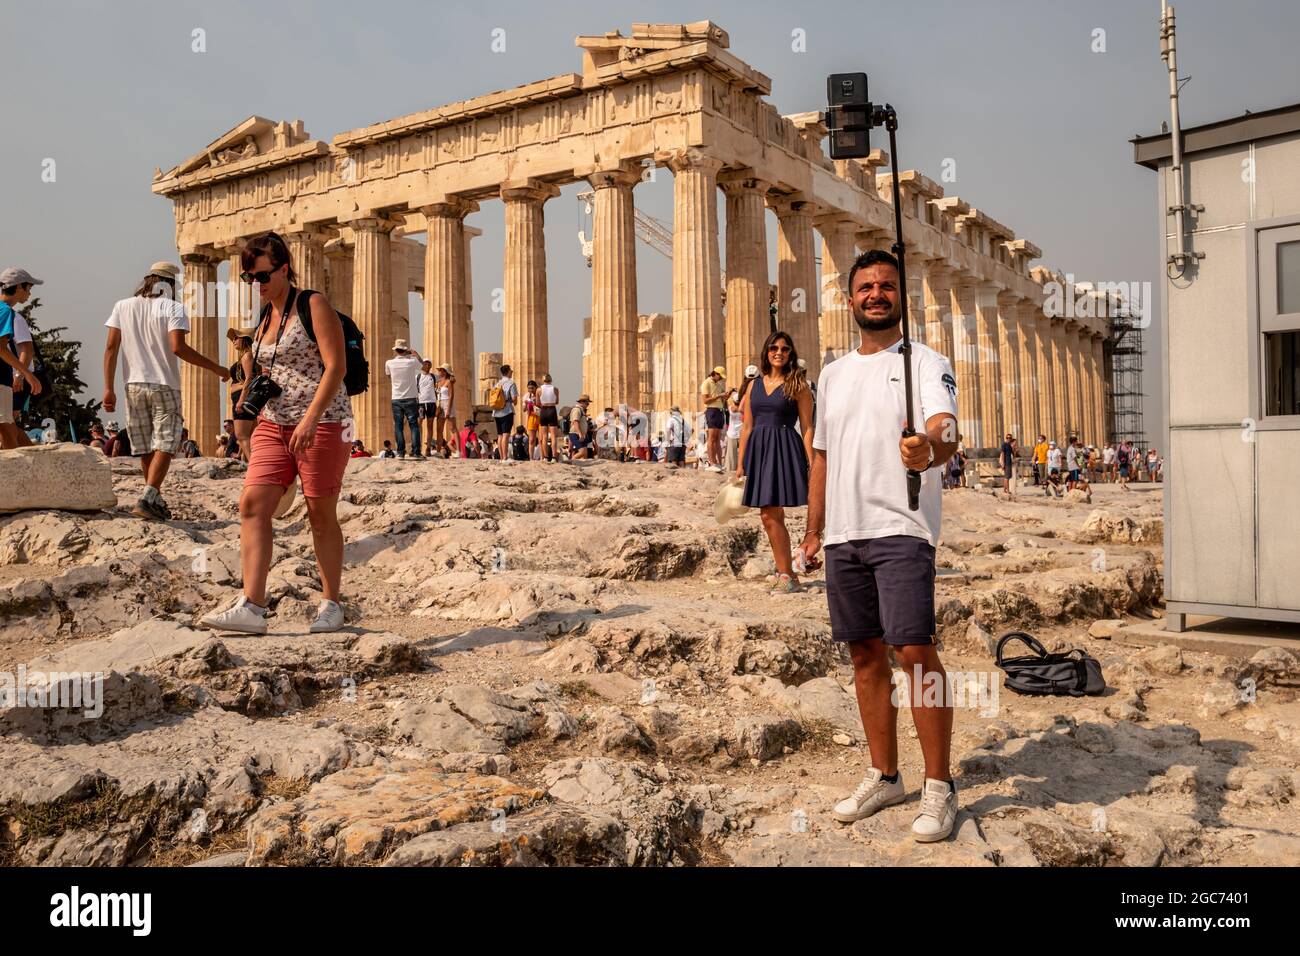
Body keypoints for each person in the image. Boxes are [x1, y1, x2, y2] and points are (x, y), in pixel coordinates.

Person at [794, 249, 961, 843]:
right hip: (844, 533)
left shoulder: (924, 361)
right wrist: (813, 531)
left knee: (914, 651)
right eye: (865, 287)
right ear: (850, 299)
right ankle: (885, 774)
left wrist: (930, 450)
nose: (875, 295)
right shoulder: (834, 374)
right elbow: (822, 457)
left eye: (886, 286)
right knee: (864, 655)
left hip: (902, 527)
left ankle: (939, 785)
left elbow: (945, 428)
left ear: (900, 296)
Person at [200, 232, 352, 635]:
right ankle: (252, 604)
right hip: (274, 421)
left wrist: (311, 419)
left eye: (263, 275)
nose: (258, 284)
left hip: (322, 422)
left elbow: (335, 367)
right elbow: (265, 373)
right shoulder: (266, 315)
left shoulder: (313, 304)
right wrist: (244, 423)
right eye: (251, 278)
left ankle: (332, 603)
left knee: (320, 515)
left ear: (284, 268)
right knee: (252, 503)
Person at [103, 261, 228, 520]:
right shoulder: (173, 307)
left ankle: (153, 499)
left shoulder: (122, 306)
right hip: (164, 383)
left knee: (147, 445)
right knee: (166, 443)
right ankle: (149, 496)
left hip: (133, 384)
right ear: (171, 285)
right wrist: (215, 368)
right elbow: (178, 348)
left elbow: (111, 349)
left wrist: (108, 388)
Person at [736, 330, 814, 593]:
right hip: (759, 447)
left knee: (770, 513)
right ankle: (787, 572)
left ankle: (786, 574)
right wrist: (739, 463)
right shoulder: (754, 385)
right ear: (766, 353)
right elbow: (747, 426)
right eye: (774, 348)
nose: (779, 352)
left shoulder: (798, 385)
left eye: (784, 349)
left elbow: (807, 427)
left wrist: (812, 462)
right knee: (769, 514)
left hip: (784, 446)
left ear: (790, 354)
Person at [0, 268, 45, 449]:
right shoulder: (6, 312)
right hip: (1, 378)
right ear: (19, 287)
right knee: (7, 427)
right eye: (28, 288)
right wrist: (26, 373)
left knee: (8, 424)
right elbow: (1, 348)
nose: (29, 293)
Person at [386, 338, 423, 459]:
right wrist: (416, 354)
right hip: (411, 397)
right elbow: (422, 365)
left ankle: (401, 452)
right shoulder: (411, 362)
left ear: (396, 350)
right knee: (414, 425)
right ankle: (416, 452)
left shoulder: (389, 363)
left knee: (398, 426)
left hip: (396, 398)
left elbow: (388, 377)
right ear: (406, 350)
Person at [226, 332, 256, 460]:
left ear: (245, 340)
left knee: (241, 435)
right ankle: (253, 465)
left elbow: (249, 378)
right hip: (242, 397)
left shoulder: (247, 355)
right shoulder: (244, 356)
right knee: (251, 435)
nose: (233, 340)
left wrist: (241, 400)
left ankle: (252, 466)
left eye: (236, 338)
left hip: (241, 398)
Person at [698, 365, 728, 472]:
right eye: (720, 376)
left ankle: (719, 463)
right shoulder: (706, 383)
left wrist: (727, 395)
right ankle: (711, 463)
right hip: (712, 411)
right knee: (711, 438)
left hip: (719, 411)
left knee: (718, 439)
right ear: (715, 374)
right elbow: (705, 401)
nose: (721, 379)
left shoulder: (718, 384)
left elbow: (723, 398)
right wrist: (719, 396)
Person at [489, 364, 518, 462]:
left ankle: (502, 457)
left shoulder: (497, 384)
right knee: (506, 434)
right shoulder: (511, 383)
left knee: (500, 435)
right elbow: (514, 400)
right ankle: (505, 457)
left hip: (496, 412)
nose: (512, 372)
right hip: (507, 411)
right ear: (508, 372)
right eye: (511, 370)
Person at [416, 359, 439, 456]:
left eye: (430, 364)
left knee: (430, 426)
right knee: (418, 424)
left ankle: (428, 448)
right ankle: (418, 446)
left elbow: (445, 377)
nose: (428, 365)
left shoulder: (434, 376)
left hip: (431, 403)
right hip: (421, 403)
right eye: (426, 364)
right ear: (422, 365)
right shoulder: (417, 377)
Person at [537, 373, 561, 463]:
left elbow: (537, 402)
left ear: (543, 380)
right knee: (554, 436)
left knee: (544, 436)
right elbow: (557, 401)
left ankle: (545, 457)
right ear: (551, 380)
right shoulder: (555, 389)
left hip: (543, 410)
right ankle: (554, 457)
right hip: (552, 410)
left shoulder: (539, 390)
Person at [435, 364, 456, 458]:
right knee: (439, 429)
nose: (439, 371)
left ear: (445, 371)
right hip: (439, 405)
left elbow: (451, 396)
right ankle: (438, 450)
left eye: (441, 370)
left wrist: (448, 410)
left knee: (452, 428)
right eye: (439, 370)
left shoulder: (449, 382)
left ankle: (458, 451)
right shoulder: (437, 382)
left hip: (447, 404)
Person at [567, 395, 592, 460]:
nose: (588, 404)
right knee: (582, 452)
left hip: (580, 434)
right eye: (587, 403)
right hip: (576, 434)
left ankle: (584, 468)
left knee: (585, 454)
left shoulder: (581, 410)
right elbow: (575, 422)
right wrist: (580, 434)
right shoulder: (577, 410)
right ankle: (570, 462)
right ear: (582, 402)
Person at [522, 380, 540, 459]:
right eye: (529, 388)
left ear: (536, 387)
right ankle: (531, 458)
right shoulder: (526, 396)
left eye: (532, 388)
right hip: (531, 417)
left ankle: (542, 457)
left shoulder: (540, 394)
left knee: (542, 439)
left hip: (540, 417)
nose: (530, 390)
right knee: (532, 439)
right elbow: (524, 409)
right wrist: (526, 403)